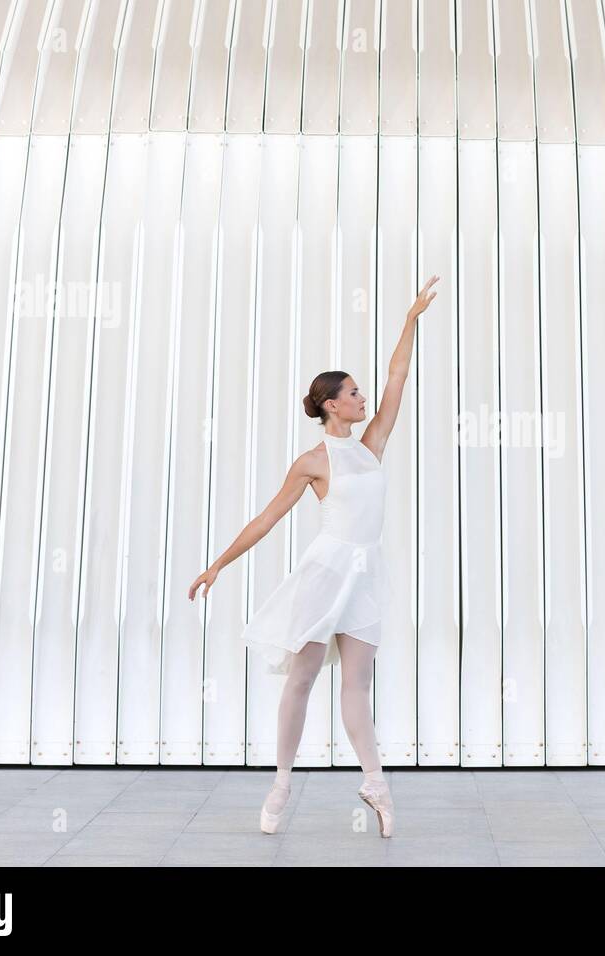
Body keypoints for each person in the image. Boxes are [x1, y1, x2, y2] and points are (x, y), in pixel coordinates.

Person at [189, 276, 440, 838]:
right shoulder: (314, 460)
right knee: (301, 679)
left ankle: (374, 781)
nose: (363, 396)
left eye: (360, 391)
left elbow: (398, 379)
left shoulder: (371, 445)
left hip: (367, 575)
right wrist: (218, 564)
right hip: (326, 574)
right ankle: (280, 783)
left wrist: (410, 320)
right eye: (352, 392)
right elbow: (267, 517)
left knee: (357, 684)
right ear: (331, 404)